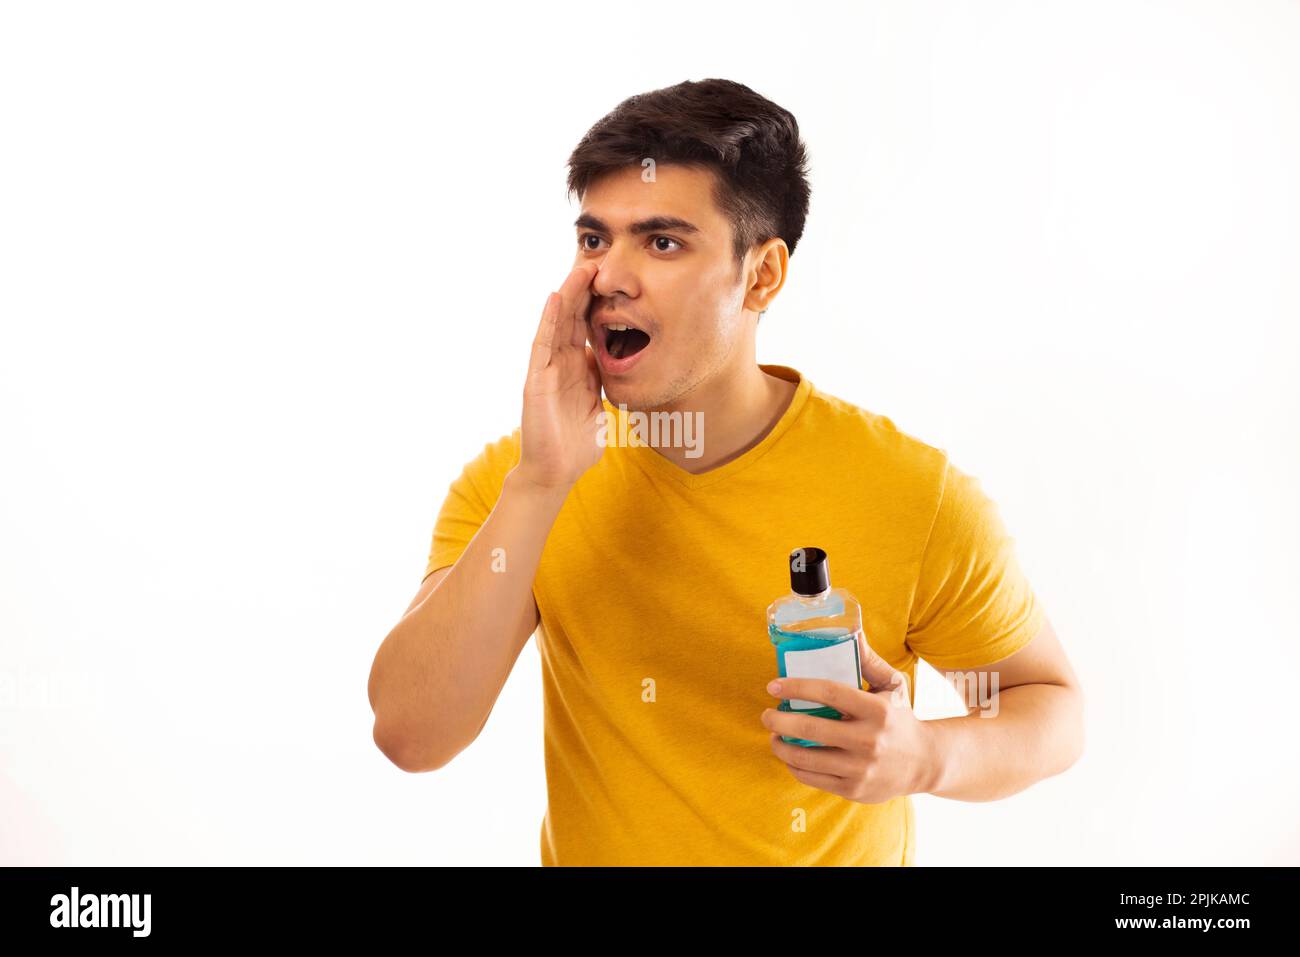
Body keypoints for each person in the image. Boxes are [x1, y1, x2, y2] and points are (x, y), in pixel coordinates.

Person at [367, 78, 1085, 866]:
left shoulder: (911, 492)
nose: (609, 276)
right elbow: (411, 731)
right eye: (594, 239)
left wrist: (930, 755)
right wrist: (540, 484)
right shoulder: (522, 479)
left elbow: (1049, 708)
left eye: (663, 242)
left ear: (762, 275)